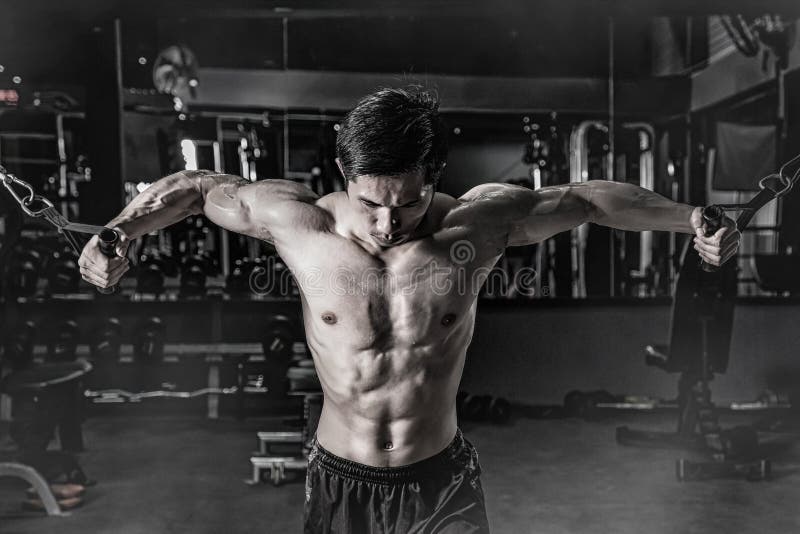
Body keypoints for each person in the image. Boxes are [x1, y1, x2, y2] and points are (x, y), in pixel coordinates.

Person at [79, 87, 740, 533]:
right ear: (344, 175)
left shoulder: (480, 224)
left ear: (435, 175)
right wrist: (117, 234)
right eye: (370, 203)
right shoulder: (299, 223)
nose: (388, 222)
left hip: (440, 480)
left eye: (409, 203)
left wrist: (693, 219)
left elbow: (589, 199)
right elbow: (195, 187)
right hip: (342, 481)